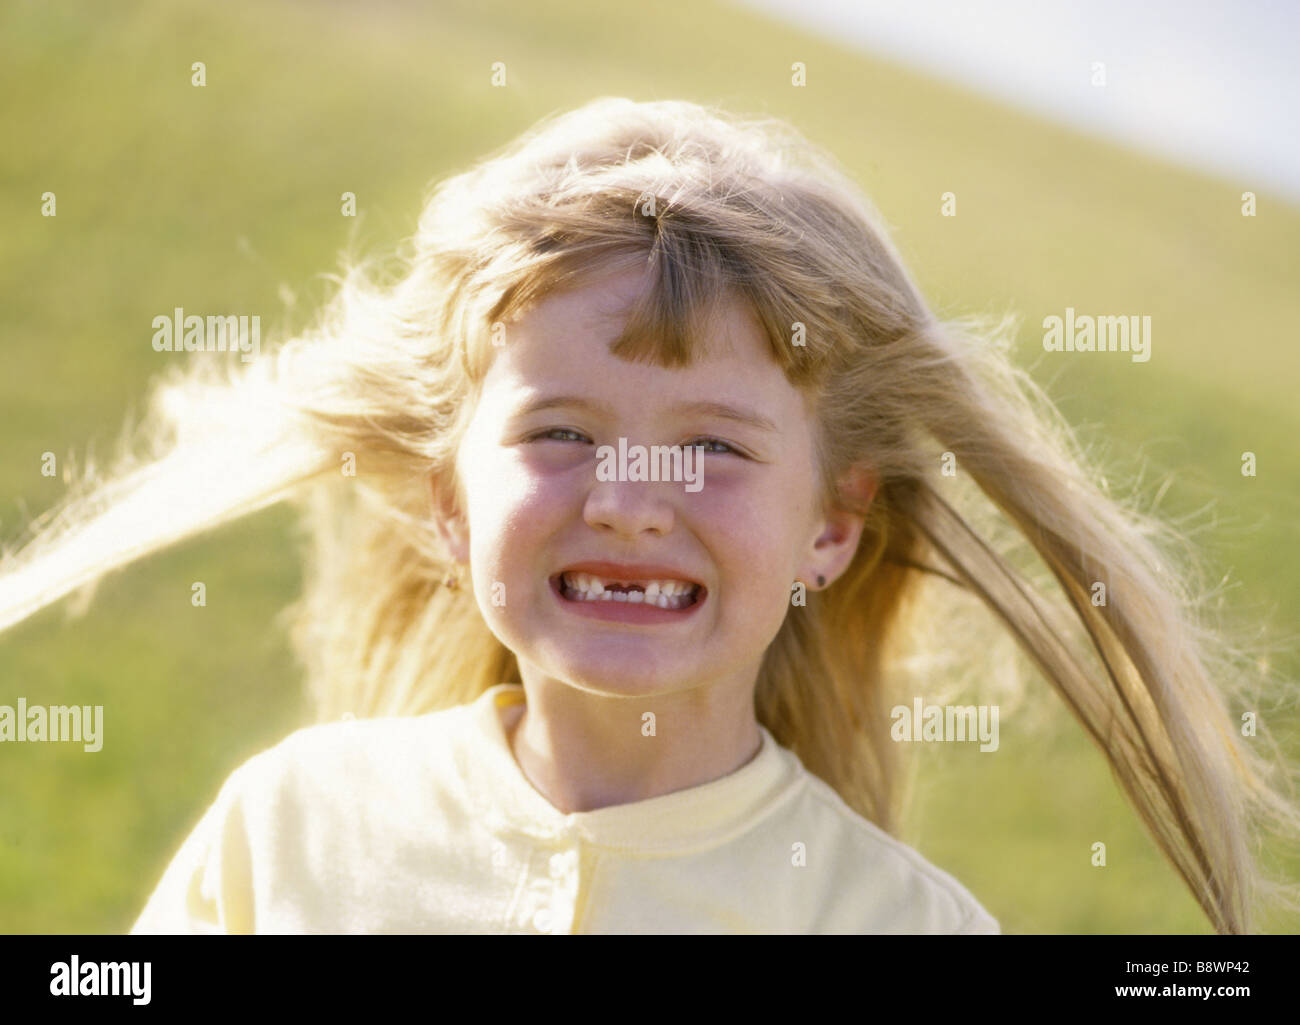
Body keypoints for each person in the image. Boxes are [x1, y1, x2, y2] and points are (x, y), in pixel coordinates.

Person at [3, 97, 1295, 934]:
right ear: (452, 503)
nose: (628, 501)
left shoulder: (900, 925)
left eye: (713, 447)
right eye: (561, 433)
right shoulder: (290, 821)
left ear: (831, 529)